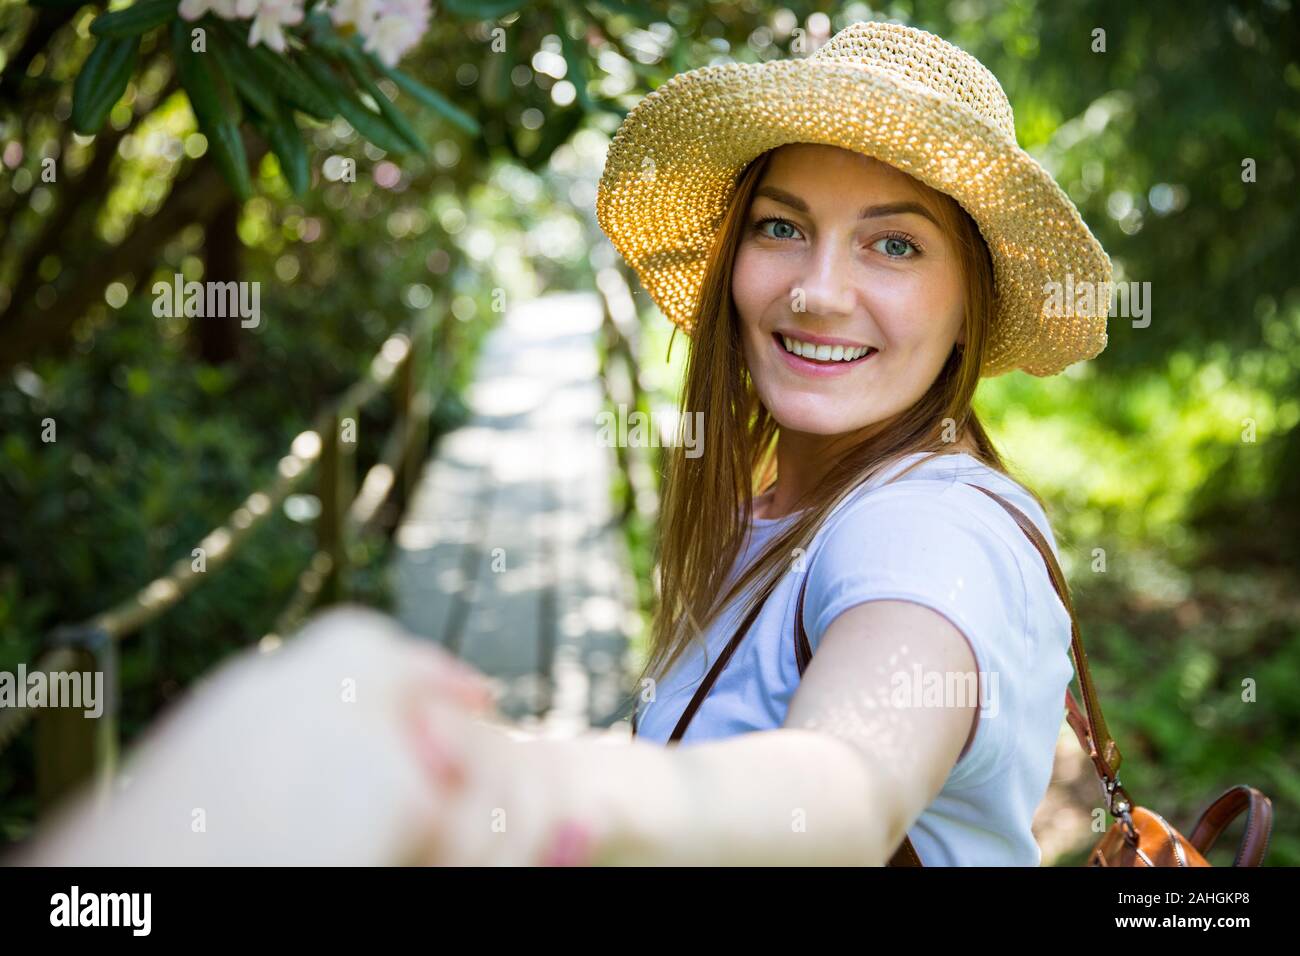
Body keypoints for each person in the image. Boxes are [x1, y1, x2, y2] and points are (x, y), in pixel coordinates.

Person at [16, 20, 1112, 866]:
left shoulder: (929, 528)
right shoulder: (789, 496)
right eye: (781, 226)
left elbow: (844, 786)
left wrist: (509, 790)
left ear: (971, 302)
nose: (817, 291)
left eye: (893, 244)